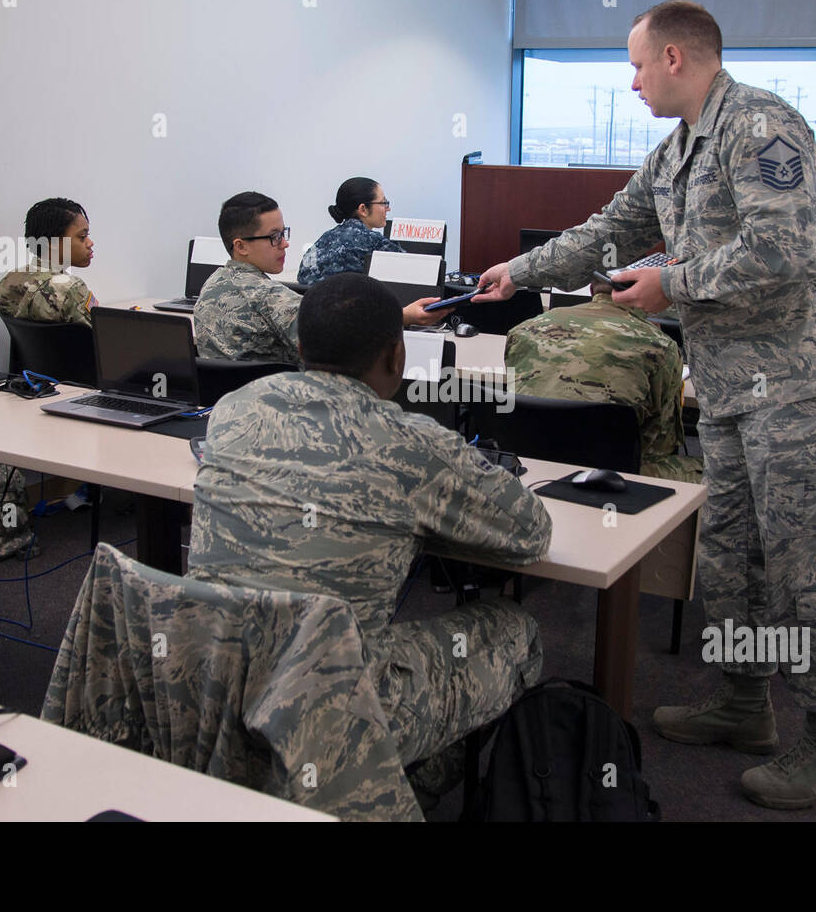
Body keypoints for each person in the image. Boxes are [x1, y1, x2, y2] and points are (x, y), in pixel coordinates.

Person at [477, 0, 816, 810]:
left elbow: (782, 251)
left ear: (676, 59)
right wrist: (519, 273)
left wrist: (671, 283)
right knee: (731, 556)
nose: (629, 82)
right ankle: (743, 701)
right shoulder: (678, 150)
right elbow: (612, 229)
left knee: (804, 565)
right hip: (731, 386)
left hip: (801, 383)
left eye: (635, 64)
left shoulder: (759, 127)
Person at [189, 272, 552, 793]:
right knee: (516, 631)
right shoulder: (413, 441)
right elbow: (530, 534)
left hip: (213, 677)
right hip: (335, 707)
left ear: (298, 346)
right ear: (397, 357)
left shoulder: (235, 409)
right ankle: (402, 785)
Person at [195, 192, 442, 362]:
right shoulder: (270, 297)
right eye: (274, 237)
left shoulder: (211, 285)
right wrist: (405, 315)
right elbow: (339, 333)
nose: (285, 244)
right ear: (241, 246)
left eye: (284, 233)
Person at [504, 279, 702, 483]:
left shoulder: (524, 329)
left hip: (528, 466)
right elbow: (661, 445)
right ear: (645, 290)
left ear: (591, 288)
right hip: (616, 476)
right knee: (713, 471)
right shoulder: (660, 346)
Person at [0, 198, 97, 325]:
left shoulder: (7, 283)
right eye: (82, 237)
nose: (90, 243)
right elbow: (106, 335)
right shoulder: (71, 289)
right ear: (51, 243)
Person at [297, 177, 404, 285]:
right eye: (383, 203)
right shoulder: (374, 242)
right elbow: (409, 271)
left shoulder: (324, 240)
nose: (388, 208)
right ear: (363, 209)